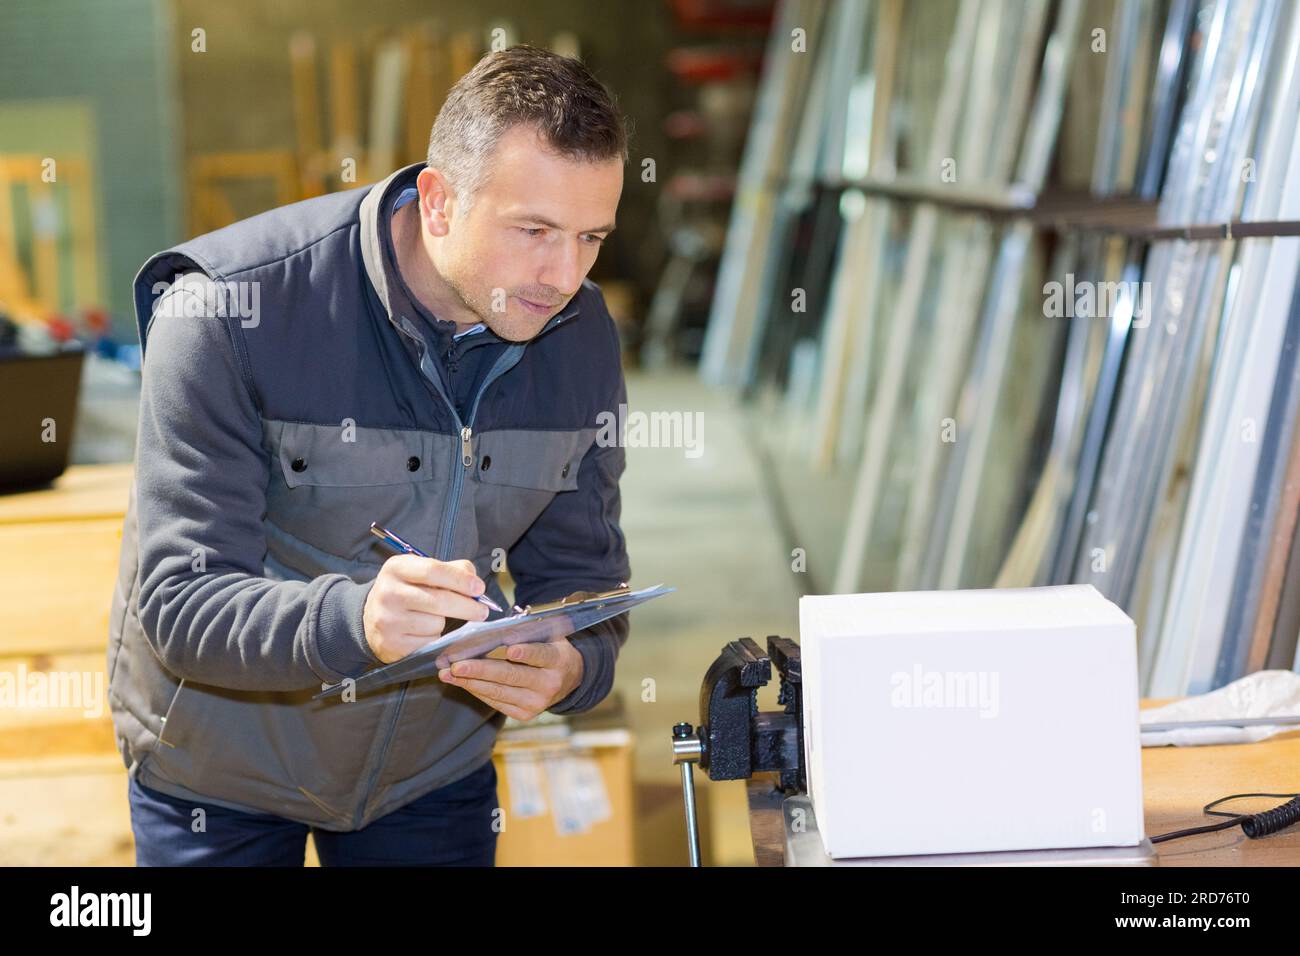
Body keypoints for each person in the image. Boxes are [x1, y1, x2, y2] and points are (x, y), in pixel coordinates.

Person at [108, 44, 632, 866]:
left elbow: (582, 572)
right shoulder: (225, 313)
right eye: (533, 230)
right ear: (438, 202)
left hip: (429, 776)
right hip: (221, 777)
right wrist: (354, 620)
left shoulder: (578, 334)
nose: (563, 275)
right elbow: (178, 603)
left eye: (591, 237)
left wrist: (573, 665)